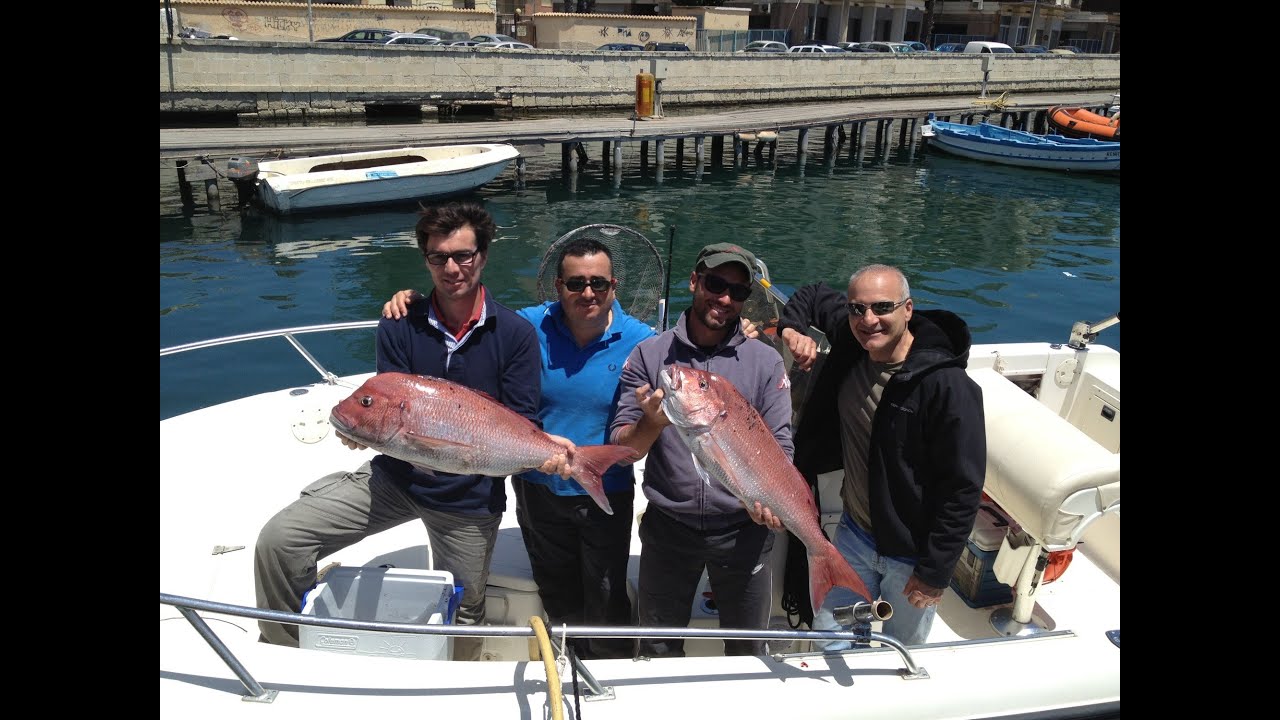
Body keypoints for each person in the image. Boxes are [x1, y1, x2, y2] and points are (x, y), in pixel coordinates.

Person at [254, 201, 559, 661]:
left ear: (484, 255)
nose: (452, 267)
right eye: (438, 257)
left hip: (470, 501)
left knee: (467, 607)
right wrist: (362, 430)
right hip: (395, 480)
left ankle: (457, 687)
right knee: (280, 541)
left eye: (463, 255)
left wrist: (544, 454)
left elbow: (522, 417)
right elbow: (383, 406)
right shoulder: (400, 321)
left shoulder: (514, 333)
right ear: (426, 260)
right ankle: (287, 655)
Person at [381, 237, 657, 659]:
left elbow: (686, 360)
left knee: (606, 594)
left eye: (599, 284)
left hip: (606, 486)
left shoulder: (641, 340)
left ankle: (606, 670)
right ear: (557, 286)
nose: (587, 294)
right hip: (536, 486)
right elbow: (471, 309)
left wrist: (745, 331)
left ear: (614, 286)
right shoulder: (529, 325)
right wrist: (415, 301)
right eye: (575, 283)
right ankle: (565, 661)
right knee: (555, 588)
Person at [776, 264, 986, 647]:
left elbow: (962, 489)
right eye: (857, 309)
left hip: (911, 552)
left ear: (908, 309)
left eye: (882, 307)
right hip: (853, 534)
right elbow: (811, 292)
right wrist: (790, 329)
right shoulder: (852, 340)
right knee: (831, 638)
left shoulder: (947, 386)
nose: (868, 320)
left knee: (901, 650)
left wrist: (935, 572)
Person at [608, 242, 792, 658]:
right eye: (714, 283)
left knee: (748, 651)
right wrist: (650, 424)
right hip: (670, 528)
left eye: (738, 292)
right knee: (657, 647)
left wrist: (766, 502)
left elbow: (780, 446)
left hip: (744, 531)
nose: (724, 298)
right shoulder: (650, 356)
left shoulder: (766, 363)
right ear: (694, 281)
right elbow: (624, 447)